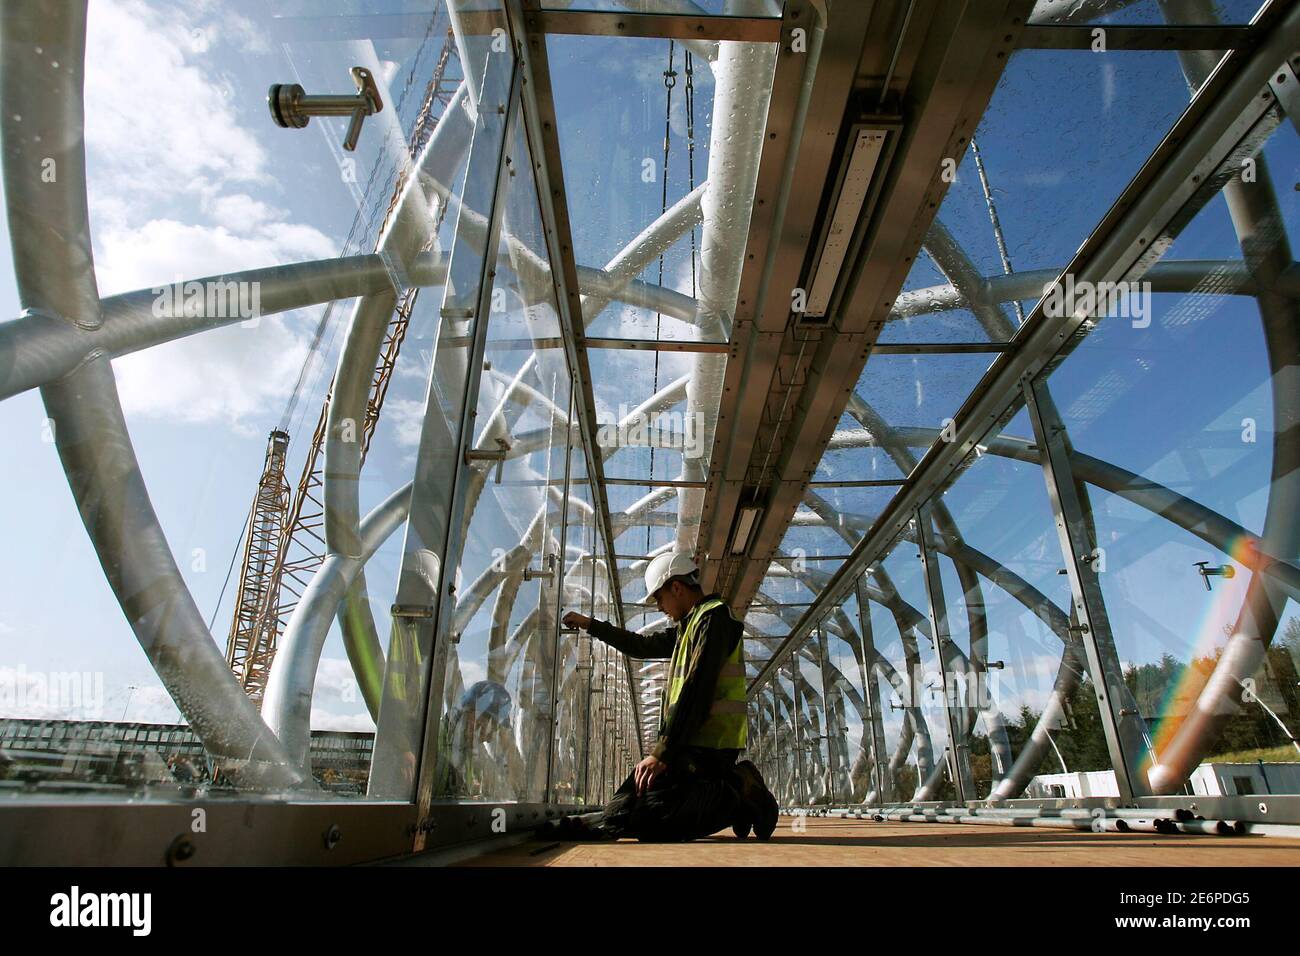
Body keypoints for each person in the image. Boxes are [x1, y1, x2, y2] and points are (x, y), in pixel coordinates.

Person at [539, 552, 778, 842]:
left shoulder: (716, 618)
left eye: (659, 598)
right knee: (619, 812)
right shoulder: (688, 627)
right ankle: (722, 796)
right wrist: (592, 625)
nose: (659, 607)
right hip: (687, 745)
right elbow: (640, 646)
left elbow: (697, 688)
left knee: (652, 821)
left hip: (710, 749)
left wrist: (661, 753)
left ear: (676, 588)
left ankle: (740, 788)